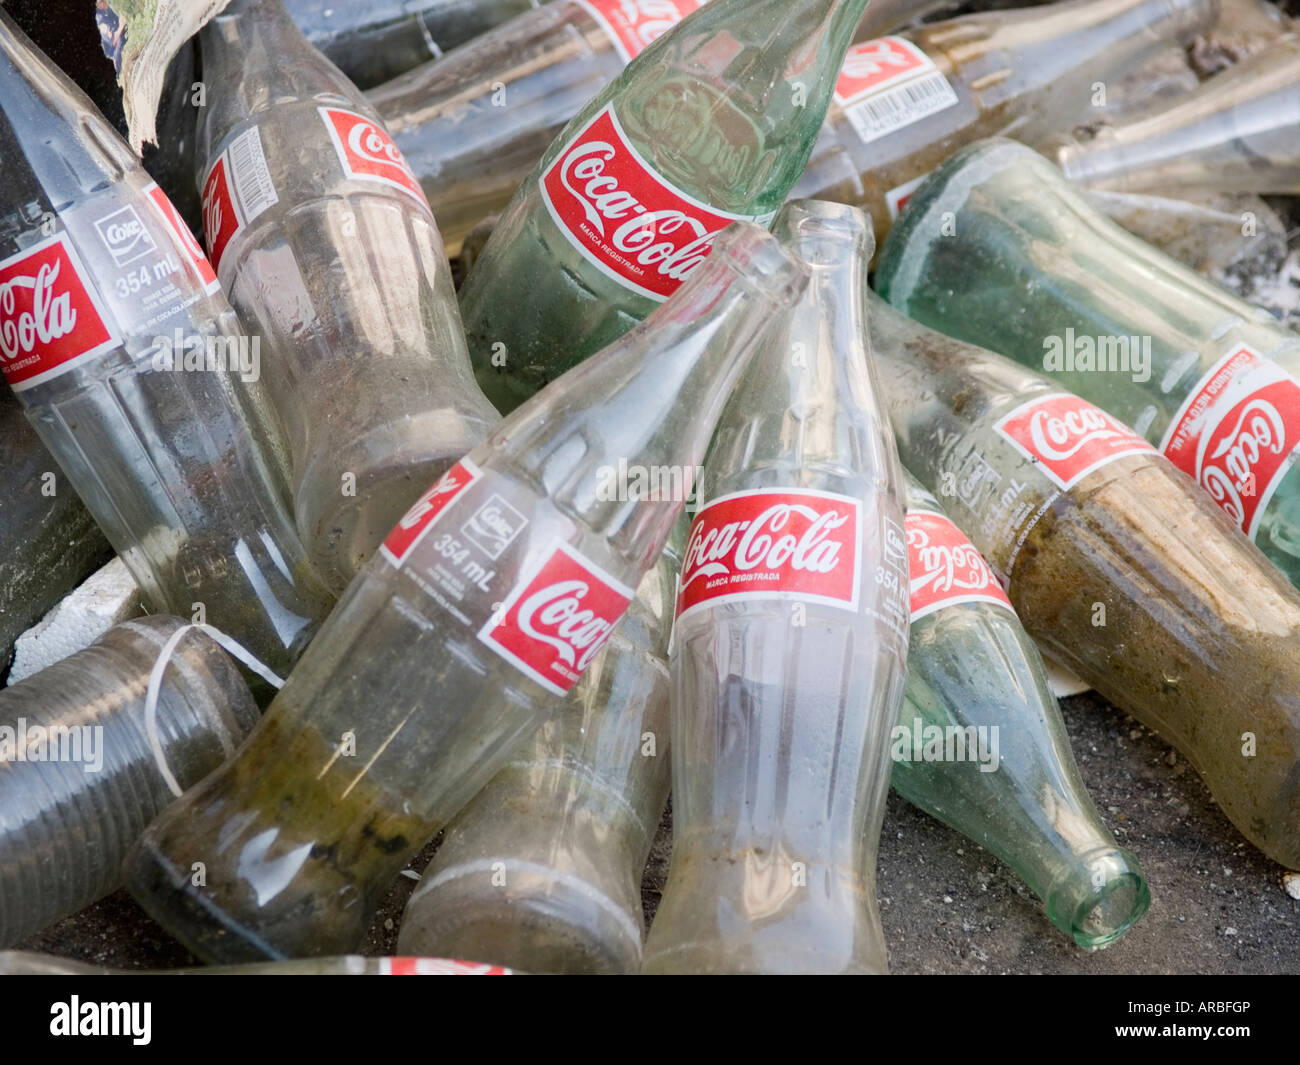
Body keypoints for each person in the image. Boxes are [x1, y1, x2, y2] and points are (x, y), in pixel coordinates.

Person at [94, 0, 127, 75]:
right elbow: (113, 41)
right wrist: (121, 26)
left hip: (118, 35)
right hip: (112, 50)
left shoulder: (107, 10)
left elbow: (118, 19)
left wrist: (122, 22)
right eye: (102, 1)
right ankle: (118, 70)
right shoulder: (100, 21)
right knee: (120, 41)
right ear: (98, 5)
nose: (105, 1)